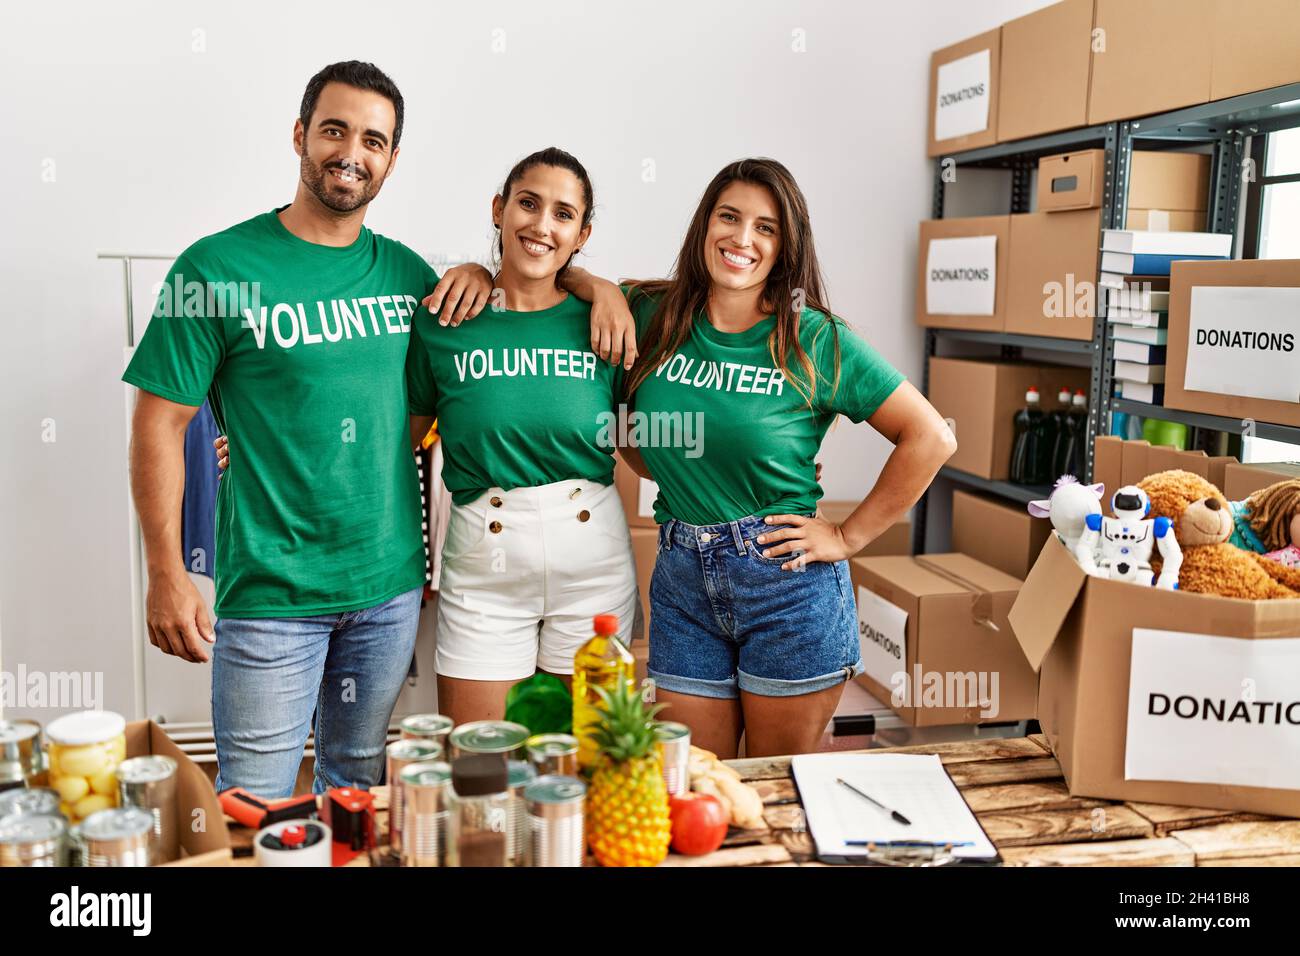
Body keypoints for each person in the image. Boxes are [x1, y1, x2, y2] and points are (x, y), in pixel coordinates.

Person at [125, 61, 498, 798]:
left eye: (373, 139)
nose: (351, 152)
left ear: (391, 161)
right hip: (270, 596)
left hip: (387, 590)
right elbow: (159, 424)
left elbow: (431, 407)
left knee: (357, 790)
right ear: (300, 135)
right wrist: (165, 573)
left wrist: (482, 274)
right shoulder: (216, 267)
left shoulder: (407, 274)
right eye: (334, 129)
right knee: (254, 802)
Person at [568, 158, 957, 759]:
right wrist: (597, 288)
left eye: (765, 227)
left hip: (786, 583)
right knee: (695, 780)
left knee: (776, 787)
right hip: (682, 580)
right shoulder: (652, 313)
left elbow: (931, 437)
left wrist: (849, 536)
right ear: (704, 225)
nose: (742, 239)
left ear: (785, 247)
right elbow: (558, 278)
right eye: (729, 217)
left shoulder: (813, 339)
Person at [405, 148, 640, 724]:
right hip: (483, 565)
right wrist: (285, 443)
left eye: (563, 214)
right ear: (498, 210)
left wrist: (601, 287)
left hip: (594, 566)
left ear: (582, 233)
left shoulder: (609, 320)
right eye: (528, 204)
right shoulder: (444, 318)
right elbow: (397, 441)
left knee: (587, 764)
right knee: (480, 768)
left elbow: (651, 437)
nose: (541, 225)